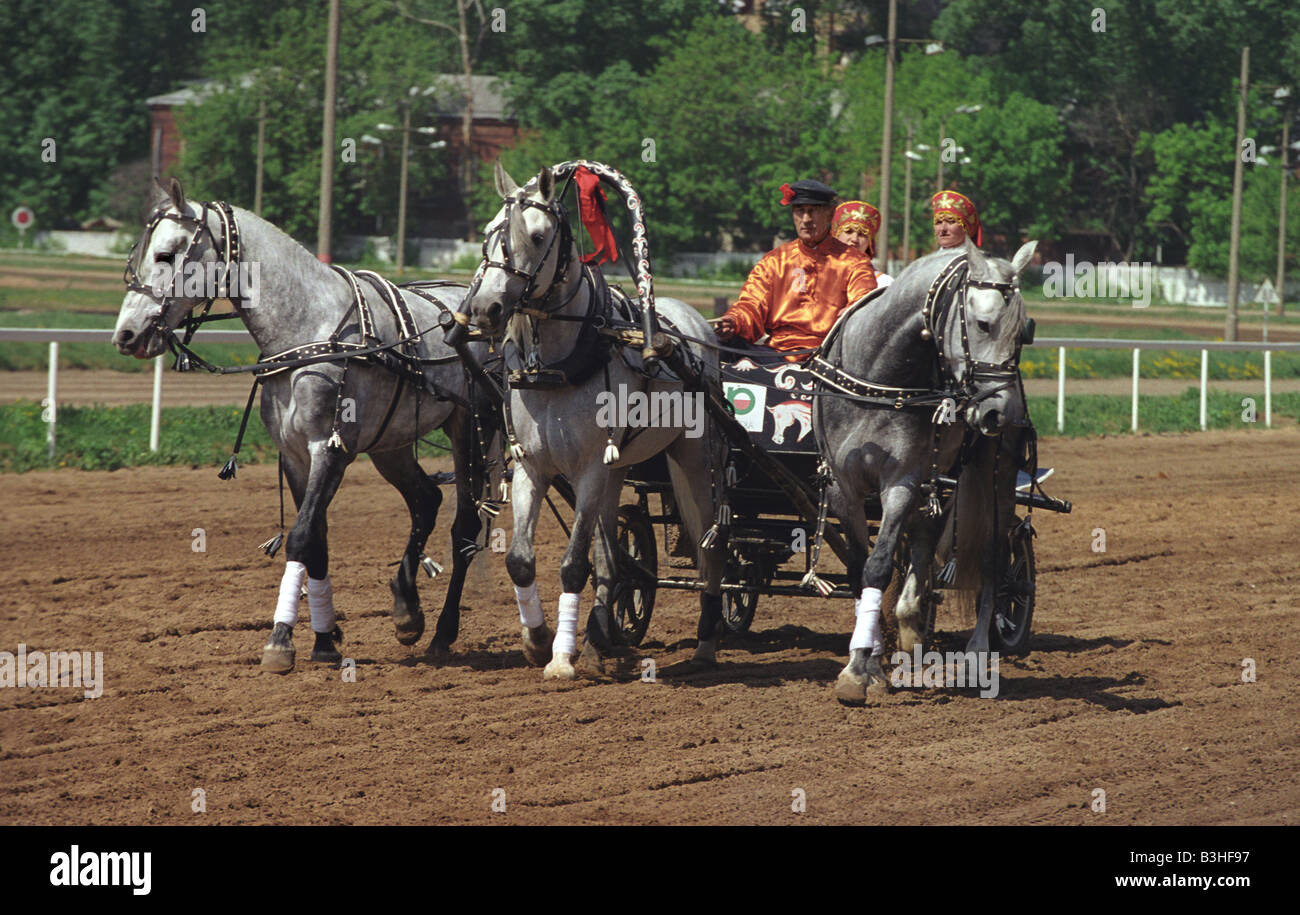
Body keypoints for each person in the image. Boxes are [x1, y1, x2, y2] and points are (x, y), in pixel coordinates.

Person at [715, 179, 876, 363]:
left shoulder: (855, 262)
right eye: (800, 211)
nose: (806, 220)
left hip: (828, 358)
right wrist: (734, 321)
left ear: (830, 213)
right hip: (776, 354)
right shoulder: (774, 261)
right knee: (717, 346)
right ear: (793, 214)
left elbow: (863, 308)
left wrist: (851, 312)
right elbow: (751, 305)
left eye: (813, 211)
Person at [832, 199, 892, 287]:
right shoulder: (816, 275)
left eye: (862, 235)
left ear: (869, 243)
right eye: (849, 231)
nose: (854, 239)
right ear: (836, 236)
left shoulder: (883, 283)